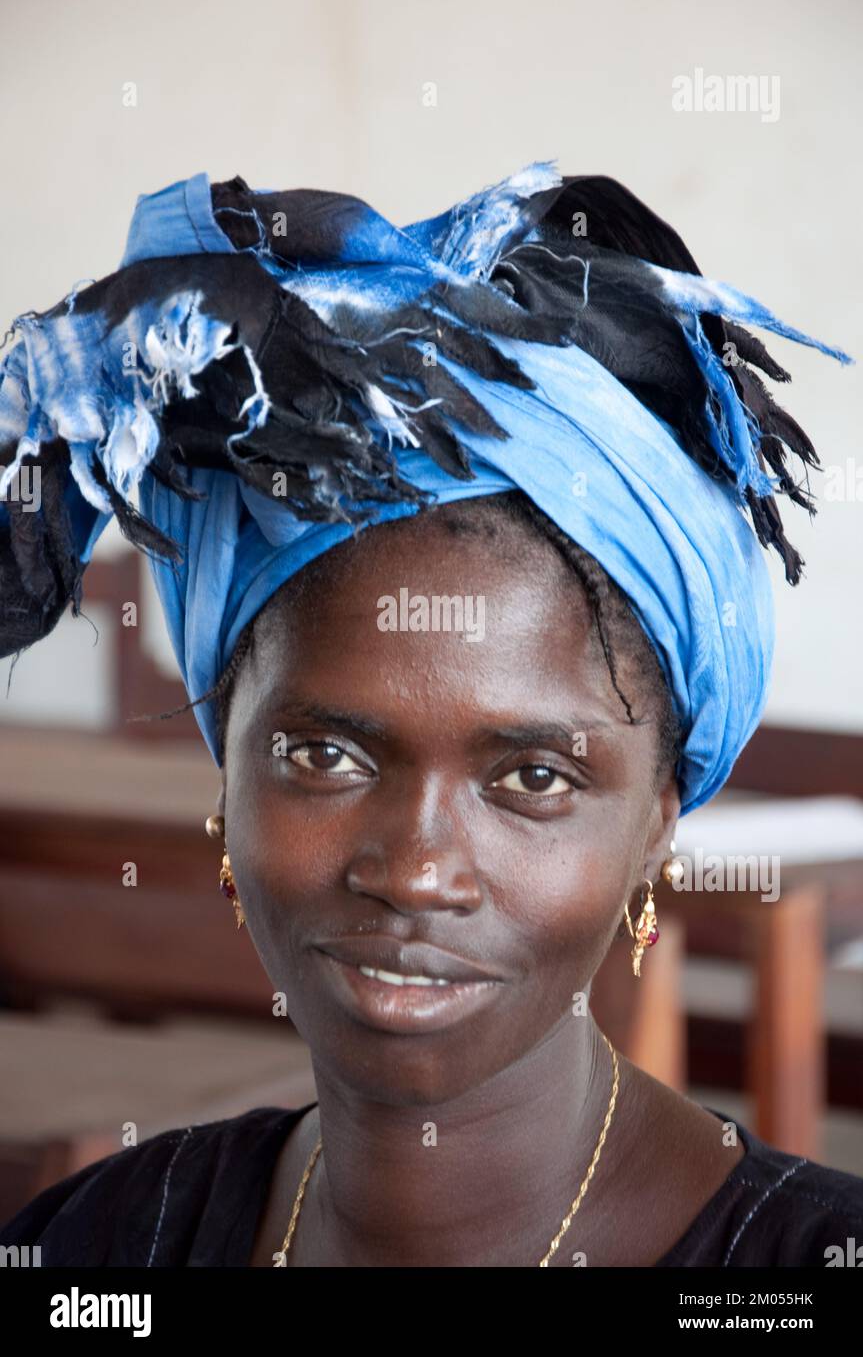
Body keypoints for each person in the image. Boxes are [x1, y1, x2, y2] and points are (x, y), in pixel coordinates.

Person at [0, 162, 861, 1268]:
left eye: (534, 778)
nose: (413, 871)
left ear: (657, 818)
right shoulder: (102, 1247)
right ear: (227, 771)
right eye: (324, 752)